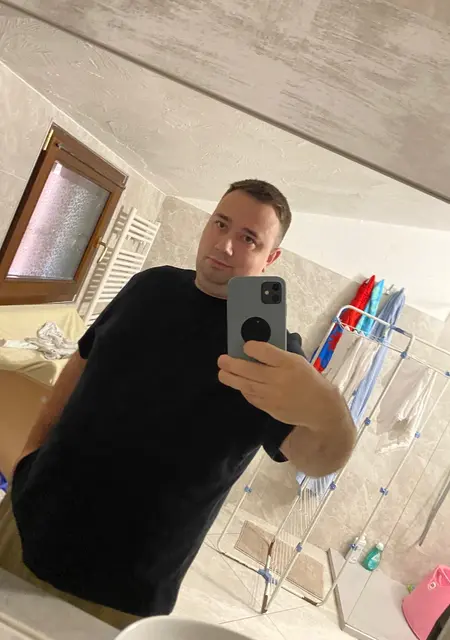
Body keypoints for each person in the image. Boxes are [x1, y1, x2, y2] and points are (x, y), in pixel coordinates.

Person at [0, 179, 355, 628]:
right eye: (220, 223)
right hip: (28, 520)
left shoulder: (272, 354)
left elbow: (318, 457)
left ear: (271, 258)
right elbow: (80, 364)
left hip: (124, 583)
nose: (225, 245)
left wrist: (330, 410)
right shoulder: (149, 285)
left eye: (249, 238)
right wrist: (29, 458)